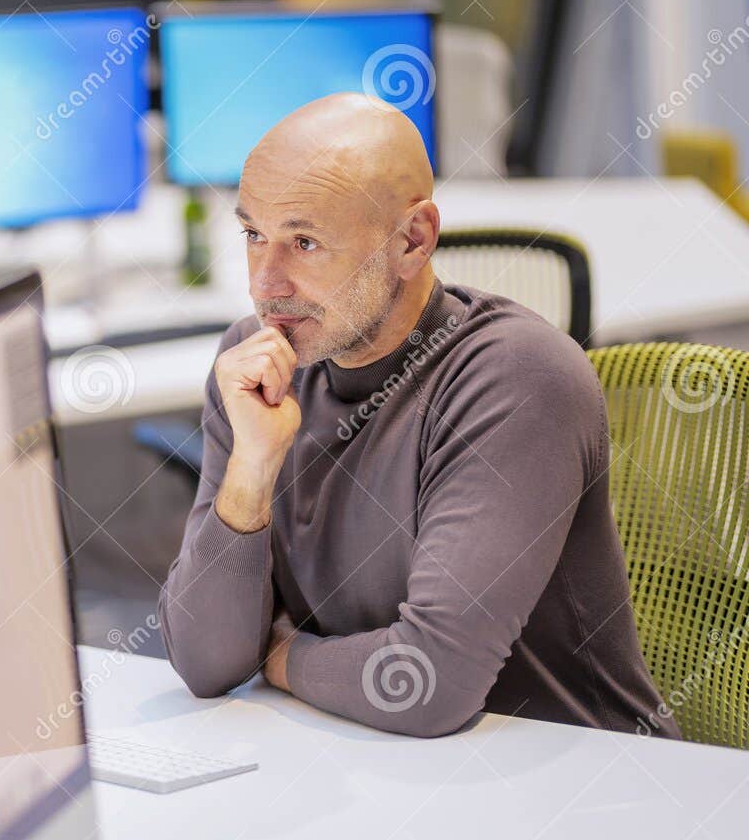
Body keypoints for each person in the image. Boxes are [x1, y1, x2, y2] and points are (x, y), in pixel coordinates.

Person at [157, 93, 676, 739]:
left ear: (412, 240)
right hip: (380, 768)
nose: (266, 283)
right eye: (254, 234)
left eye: (305, 241)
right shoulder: (253, 368)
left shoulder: (517, 378)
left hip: (586, 795)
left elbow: (427, 682)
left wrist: (280, 656)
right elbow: (205, 662)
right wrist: (251, 471)